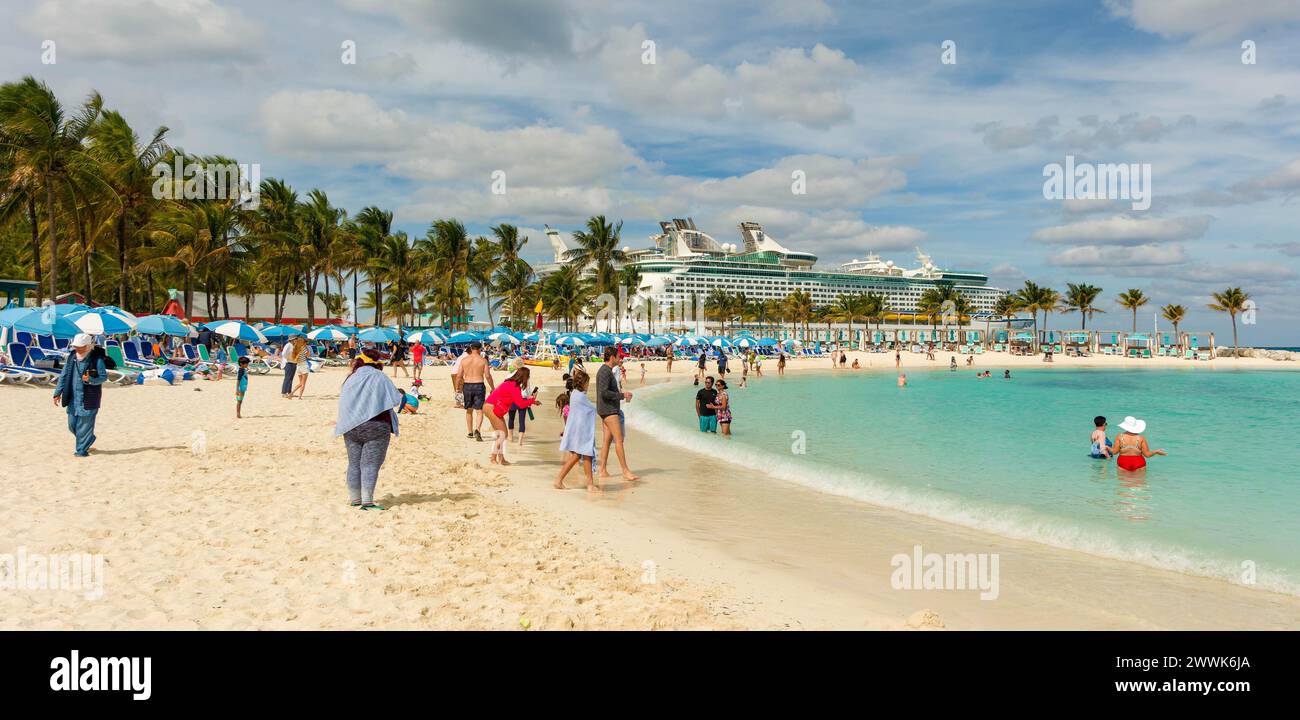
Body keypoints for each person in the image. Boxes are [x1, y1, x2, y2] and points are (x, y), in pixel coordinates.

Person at [335, 349, 403, 510]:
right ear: (377, 362)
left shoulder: (350, 378)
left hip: (350, 425)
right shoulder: (380, 377)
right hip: (376, 425)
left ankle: (355, 499)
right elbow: (395, 399)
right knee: (370, 464)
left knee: (353, 464)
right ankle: (367, 501)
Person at [52, 334, 108, 457]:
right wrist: (57, 393)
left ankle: (81, 451)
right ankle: (88, 439)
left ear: (88, 346)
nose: (77, 349)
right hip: (72, 398)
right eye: (75, 346)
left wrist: (90, 380)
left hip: (89, 398)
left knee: (84, 426)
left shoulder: (97, 359)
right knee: (72, 426)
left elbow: (103, 377)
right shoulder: (72, 357)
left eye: (80, 346)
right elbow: (64, 375)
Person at [596, 346, 638, 480]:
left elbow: (605, 391)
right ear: (612, 357)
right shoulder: (605, 371)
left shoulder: (607, 371)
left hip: (606, 409)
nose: (620, 359)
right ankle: (625, 471)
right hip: (609, 410)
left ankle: (602, 470)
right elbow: (604, 393)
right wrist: (622, 395)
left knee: (607, 441)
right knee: (619, 440)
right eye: (618, 356)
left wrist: (621, 395)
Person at [555, 369, 599, 491]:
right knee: (582, 455)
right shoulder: (580, 397)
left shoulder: (574, 393)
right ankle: (561, 480)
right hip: (581, 431)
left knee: (582, 456)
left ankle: (588, 484)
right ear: (583, 383)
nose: (588, 385)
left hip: (577, 429)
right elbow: (592, 409)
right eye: (587, 383)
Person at [485, 368, 538, 465]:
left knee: (500, 434)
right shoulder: (514, 386)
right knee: (503, 434)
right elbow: (521, 404)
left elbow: (518, 401)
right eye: (528, 376)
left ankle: (501, 459)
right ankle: (493, 458)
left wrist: (532, 401)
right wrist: (532, 400)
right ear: (524, 377)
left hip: (491, 406)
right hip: (492, 407)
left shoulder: (510, 382)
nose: (528, 378)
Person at [454, 342, 494, 441]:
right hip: (479, 384)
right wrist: (493, 387)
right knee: (479, 410)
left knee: (469, 410)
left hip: (467, 385)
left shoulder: (464, 360)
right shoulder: (483, 360)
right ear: (480, 349)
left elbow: (459, 376)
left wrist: (457, 389)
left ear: (471, 349)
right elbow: (488, 376)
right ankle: (478, 430)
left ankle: (470, 432)